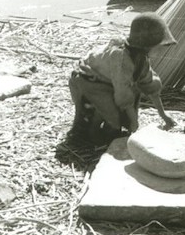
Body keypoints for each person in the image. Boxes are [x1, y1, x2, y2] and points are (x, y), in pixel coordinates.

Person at [69, 12, 177, 146]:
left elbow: (151, 86)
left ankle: (110, 132)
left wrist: (164, 116)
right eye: (159, 47)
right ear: (146, 45)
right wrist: (134, 124)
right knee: (112, 115)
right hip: (87, 80)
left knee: (121, 111)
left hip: (106, 81)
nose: (162, 51)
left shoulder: (141, 59)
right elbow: (123, 95)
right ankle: (93, 137)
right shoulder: (120, 58)